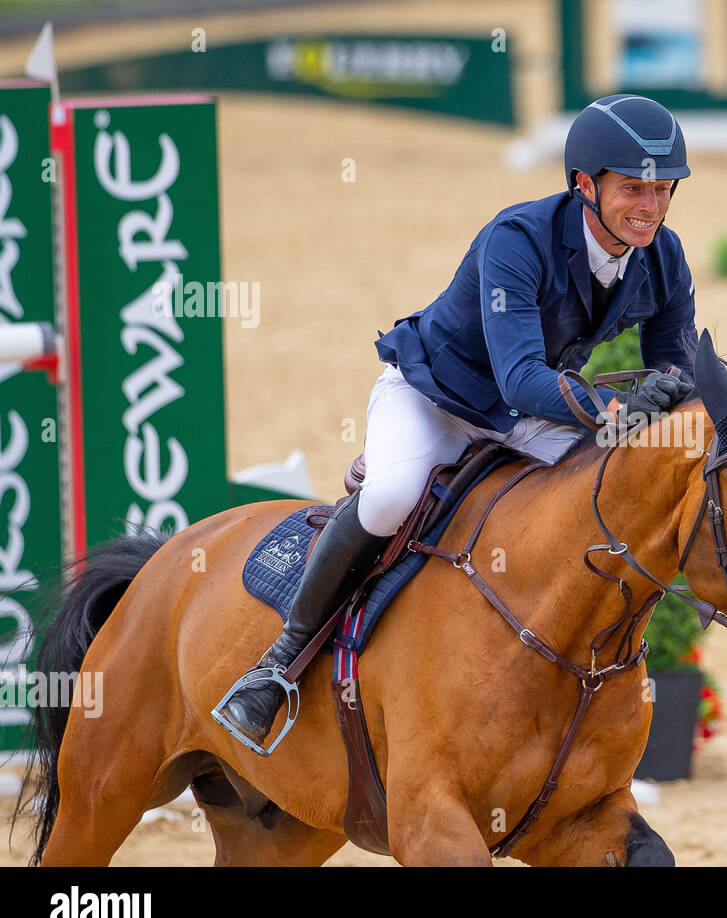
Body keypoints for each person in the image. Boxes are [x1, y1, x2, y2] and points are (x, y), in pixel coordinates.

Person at [216, 94, 699, 750]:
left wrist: (672, 395)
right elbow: (521, 377)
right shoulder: (518, 239)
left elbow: (674, 358)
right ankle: (276, 667)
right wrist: (615, 410)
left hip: (526, 418)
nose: (651, 206)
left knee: (604, 491)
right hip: (437, 397)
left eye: (663, 190)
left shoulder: (662, 256)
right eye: (634, 188)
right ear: (584, 185)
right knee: (390, 498)